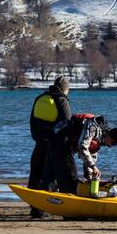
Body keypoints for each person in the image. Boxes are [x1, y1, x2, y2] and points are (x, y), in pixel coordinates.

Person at [27, 76, 72, 217]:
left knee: (35, 175)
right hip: (53, 145)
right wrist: (65, 143)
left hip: (39, 142)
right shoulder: (62, 100)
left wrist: (38, 137)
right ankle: (42, 208)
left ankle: (34, 208)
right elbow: (67, 123)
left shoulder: (40, 98)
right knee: (50, 177)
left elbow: (32, 121)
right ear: (66, 89)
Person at [56, 113, 117, 196]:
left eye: (114, 145)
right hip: (59, 138)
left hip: (64, 143)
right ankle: (66, 199)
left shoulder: (102, 138)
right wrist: (93, 166)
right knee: (71, 176)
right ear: (109, 135)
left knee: (53, 173)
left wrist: (90, 176)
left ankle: (49, 193)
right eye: (112, 143)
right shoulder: (94, 127)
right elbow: (82, 146)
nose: (110, 146)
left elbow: (91, 154)